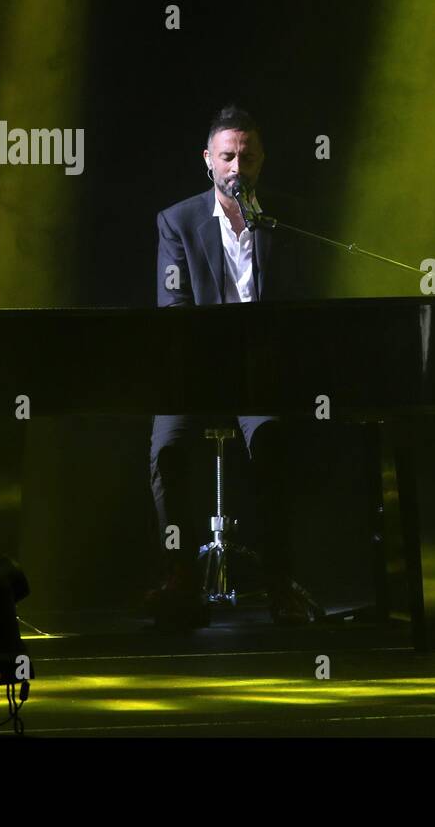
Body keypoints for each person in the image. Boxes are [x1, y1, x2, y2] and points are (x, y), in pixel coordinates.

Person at [145, 104, 320, 629]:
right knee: (168, 449)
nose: (236, 167)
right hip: (197, 372)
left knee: (275, 447)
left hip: (260, 374)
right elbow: (172, 308)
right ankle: (180, 578)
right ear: (208, 160)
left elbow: (302, 305)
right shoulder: (177, 221)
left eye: (245, 156)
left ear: (261, 161)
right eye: (227, 156)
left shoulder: (287, 219)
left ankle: (282, 583)